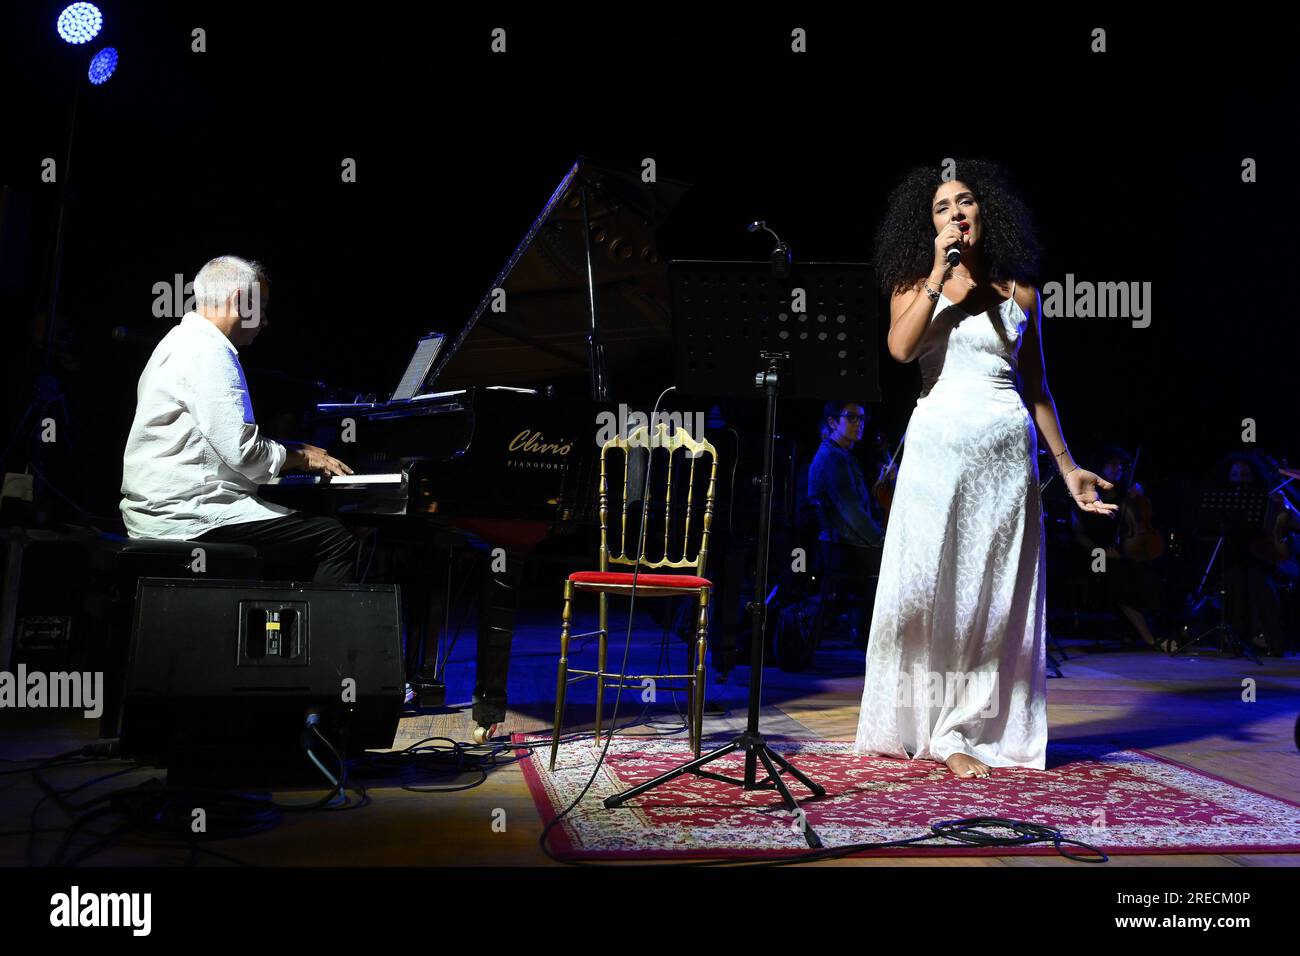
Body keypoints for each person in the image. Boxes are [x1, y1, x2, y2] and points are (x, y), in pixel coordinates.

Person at [853, 160, 1115, 778]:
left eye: (964, 202)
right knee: (927, 590)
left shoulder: (1020, 287)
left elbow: (1038, 388)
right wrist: (942, 283)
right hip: (937, 455)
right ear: (930, 226)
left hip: (1004, 461)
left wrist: (1068, 467)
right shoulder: (914, 282)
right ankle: (921, 721)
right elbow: (900, 349)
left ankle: (966, 729)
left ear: (983, 213)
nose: (955, 214)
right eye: (941, 208)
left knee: (994, 596)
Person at [120, 255, 359, 583]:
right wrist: (301, 457)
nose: (265, 320)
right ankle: (313, 635)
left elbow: (219, 442)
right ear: (239, 301)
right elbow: (244, 454)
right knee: (337, 540)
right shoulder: (210, 352)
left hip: (160, 511)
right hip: (190, 516)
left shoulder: (176, 341)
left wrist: (291, 449)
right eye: (262, 307)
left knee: (298, 532)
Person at [1071, 446, 1171, 651]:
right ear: (1100, 467)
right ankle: (1150, 638)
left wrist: (1138, 497)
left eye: (1121, 465)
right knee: (1118, 577)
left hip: (1123, 550)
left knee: (1145, 570)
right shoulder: (1087, 494)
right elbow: (1079, 534)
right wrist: (1101, 551)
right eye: (1112, 464)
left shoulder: (1128, 494)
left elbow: (1139, 524)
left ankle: (1133, 629)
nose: (1119, 469)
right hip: (1095, 552)